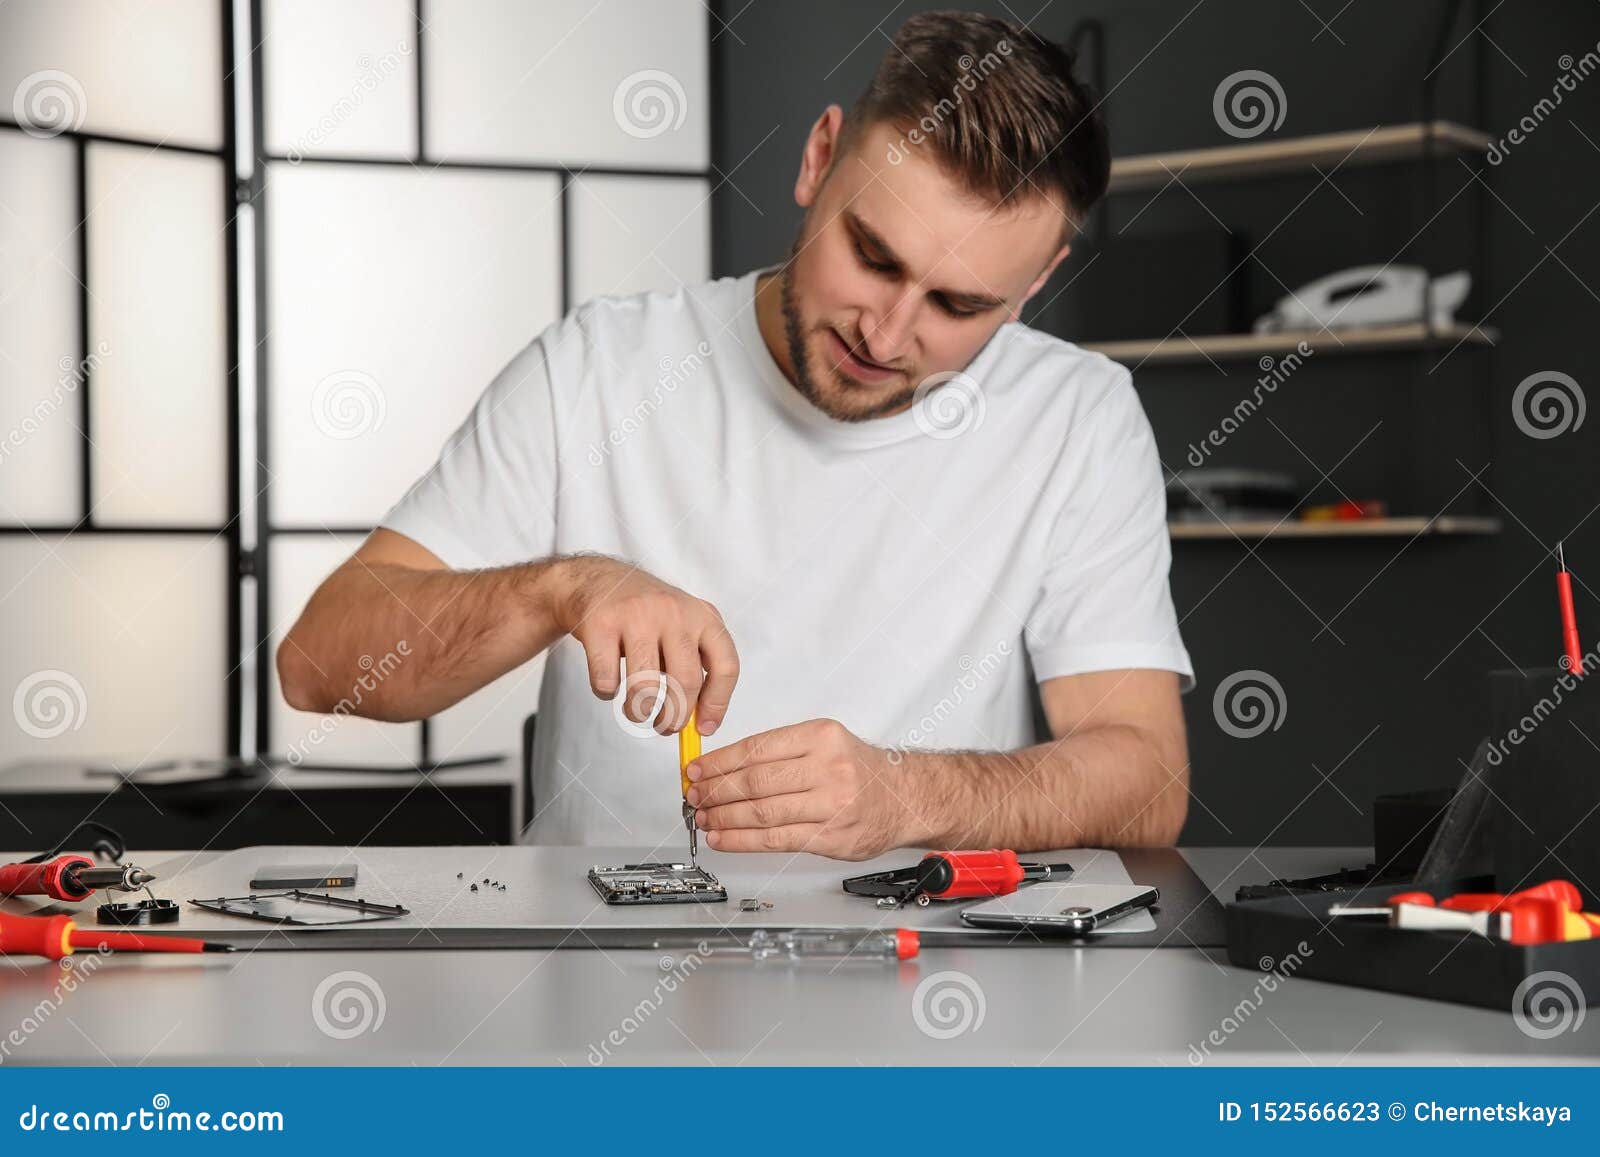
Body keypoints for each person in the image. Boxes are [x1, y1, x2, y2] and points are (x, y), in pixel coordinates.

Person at [278, 11, 1193, 859]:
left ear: (1035, 285)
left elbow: (1149, 780)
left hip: (927, 991)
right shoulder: (598, 366)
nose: (886, 333)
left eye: (959, 305)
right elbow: (318, 664)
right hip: (596, 985)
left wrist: (907, 798)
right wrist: (562, 588)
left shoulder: (1080, 416)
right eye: (873, 257)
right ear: (818, 158)